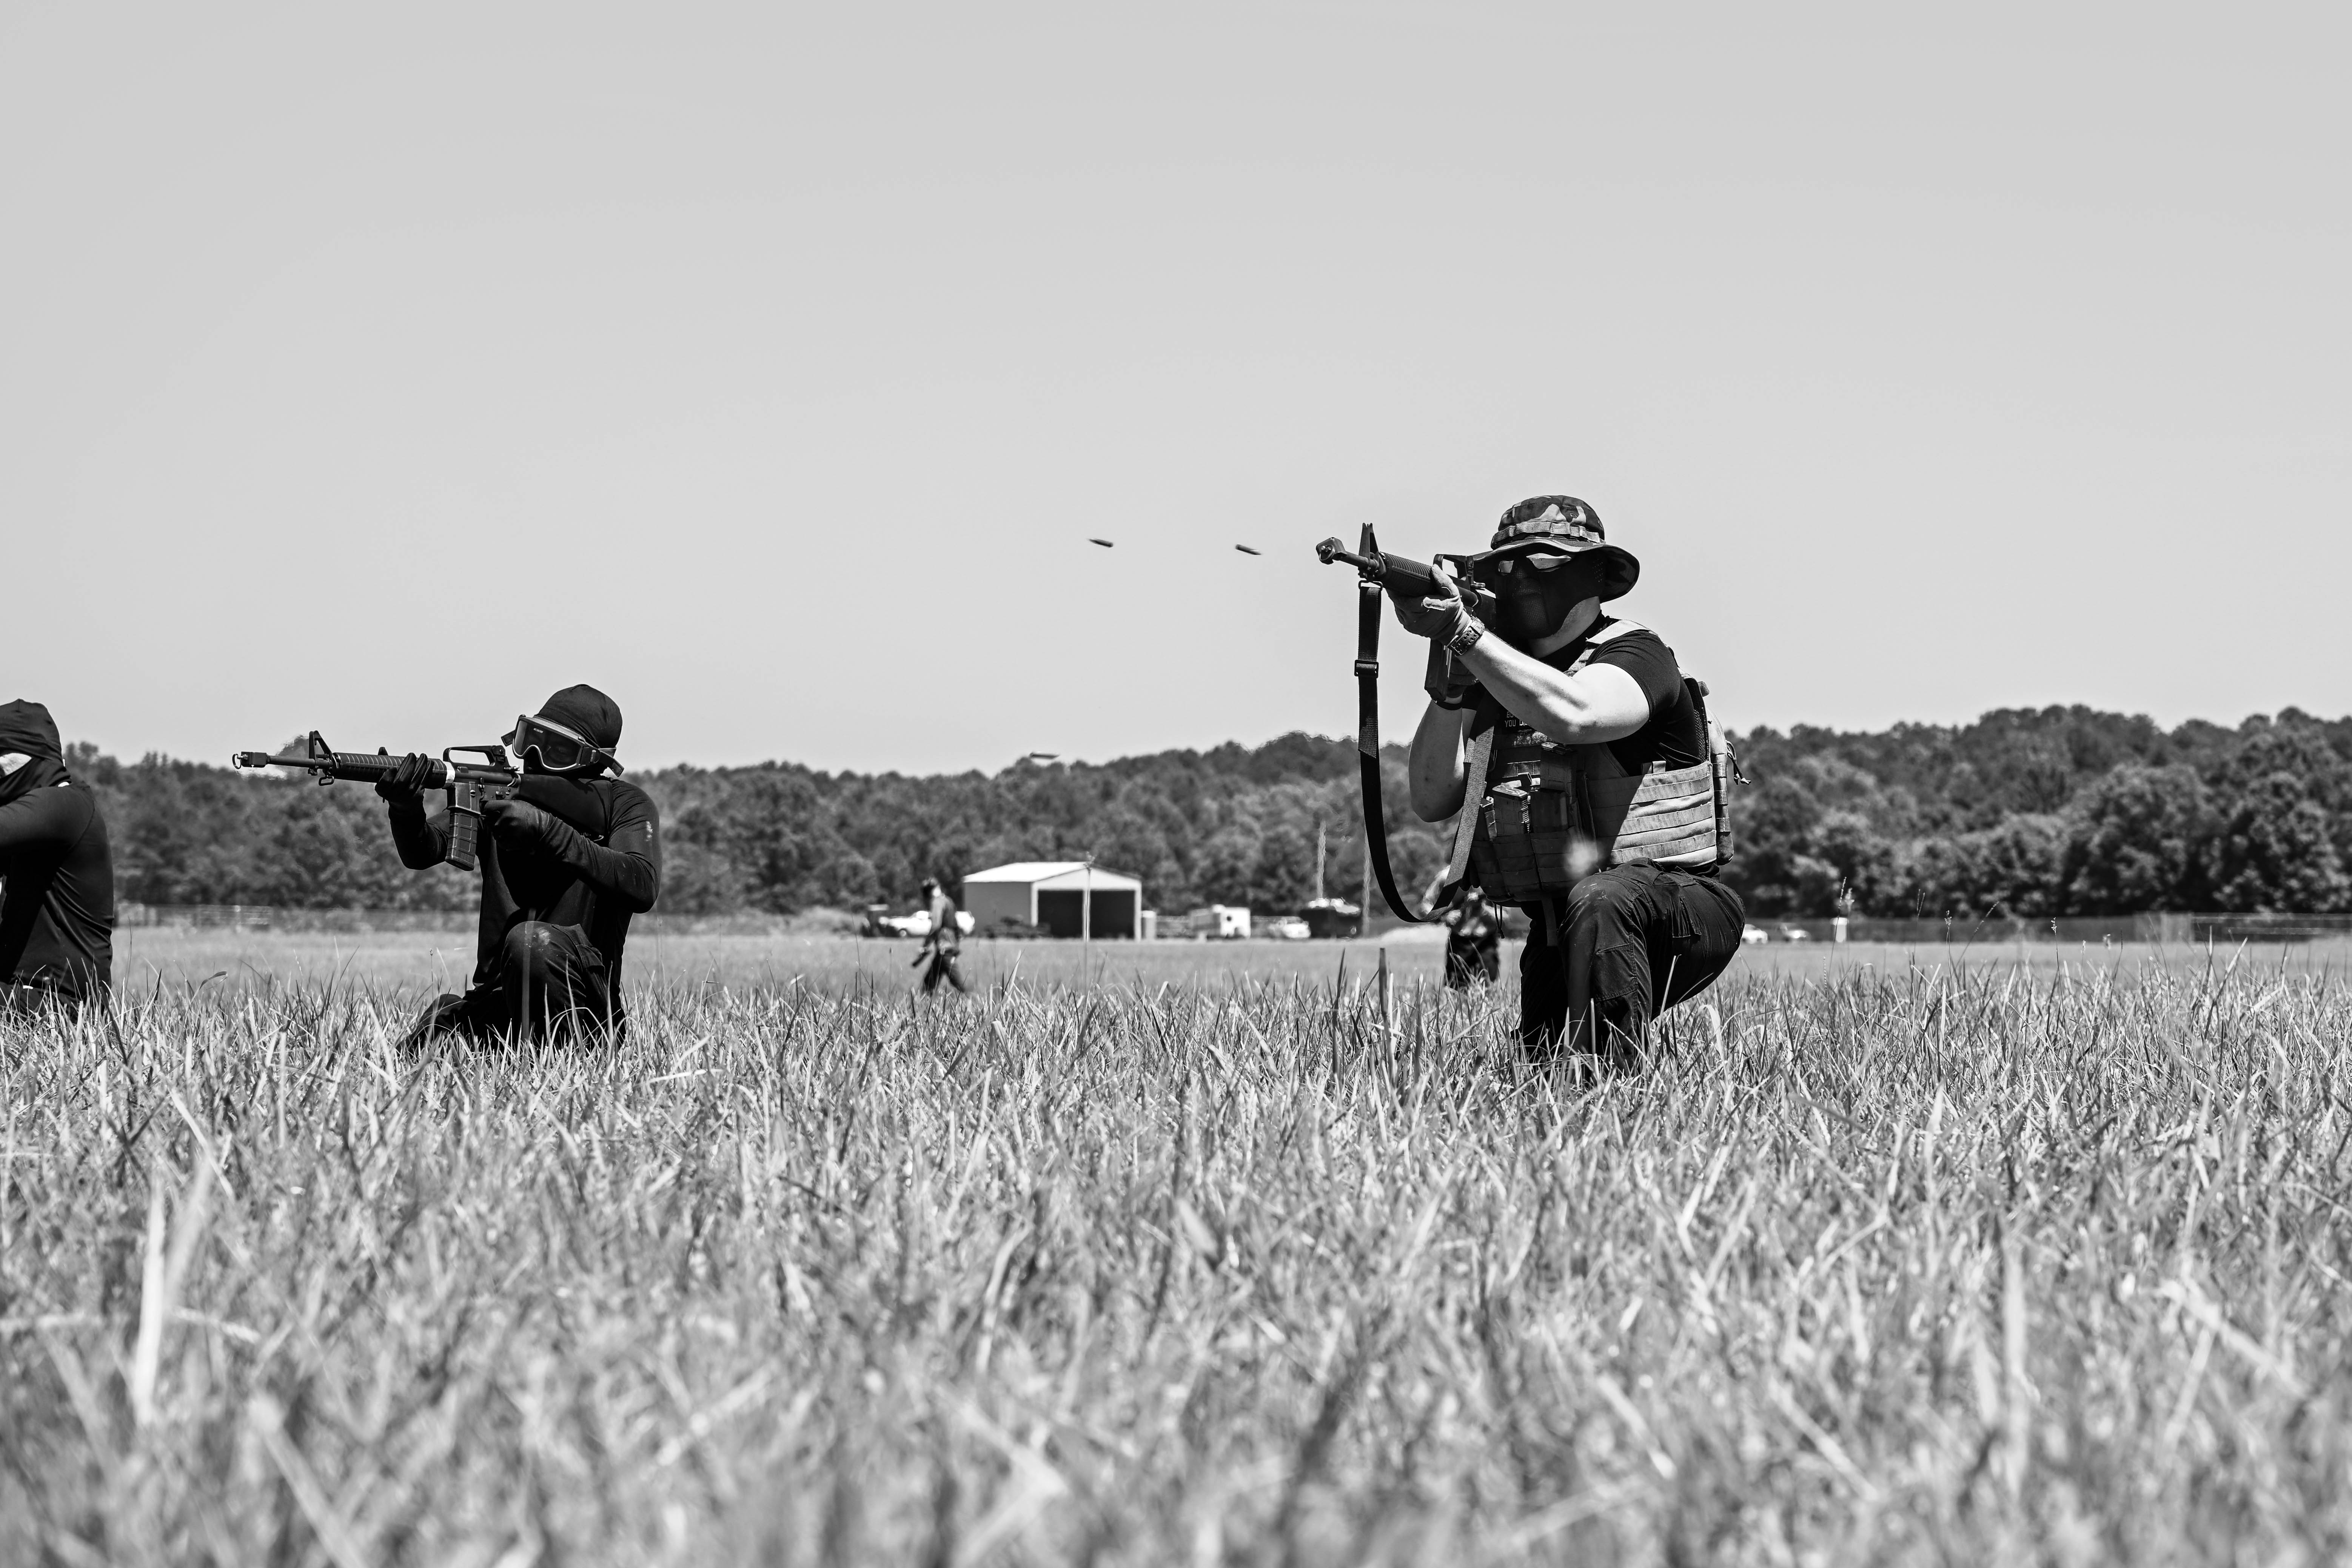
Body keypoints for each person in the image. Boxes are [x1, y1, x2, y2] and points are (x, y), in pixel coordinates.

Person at [1399, 497, 1744, 1070]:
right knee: (1540, 1067)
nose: (1525, 579)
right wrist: (1449, 687)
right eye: (1509, 565)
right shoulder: (1500, 668)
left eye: (1547, 562)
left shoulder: (1635, 654)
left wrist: (1466, 636)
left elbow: (1576, 714)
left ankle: (1620, 1096)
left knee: (1604, 902)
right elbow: (1432, 797)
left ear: (1594, 576)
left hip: (1672, 908)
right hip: (1563, 921)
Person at [377, 685, 659, 1046]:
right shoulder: (499, 795)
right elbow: (422, 852)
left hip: (583, 1007)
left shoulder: (623, 805)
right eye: (531, 739)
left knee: (532, 942)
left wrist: (549, 833)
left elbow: (642, 885)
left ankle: (563, 1064)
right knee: (437, 1026)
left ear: (593, 761)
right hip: (500, 1002)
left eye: (557, 750)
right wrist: (405, 810)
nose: (536, 757)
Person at [0, 701, 114, 1012]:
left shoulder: (66, 806)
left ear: (27, 754)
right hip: (21, 997)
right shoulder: (33, 825)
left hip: (62, 1006)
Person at [1441, 886, 1501, 989]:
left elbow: (1506, 917)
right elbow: (1426, 907)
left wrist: (1483, 909)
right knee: (1455, 987)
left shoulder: (1494, 879)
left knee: (1488, 986)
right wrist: (1445, 917)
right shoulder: (1447, 878)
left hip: (1486, 941)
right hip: (1458, 941)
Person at [916, 876, 967, 993]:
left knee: (958, 984)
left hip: (945, 948)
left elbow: (936, 926)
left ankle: (971, 1001)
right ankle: (926, 1006)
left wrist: (926, 945)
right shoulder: (948, 900)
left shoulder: (937, 903)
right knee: (929, 983)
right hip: (947, 947)